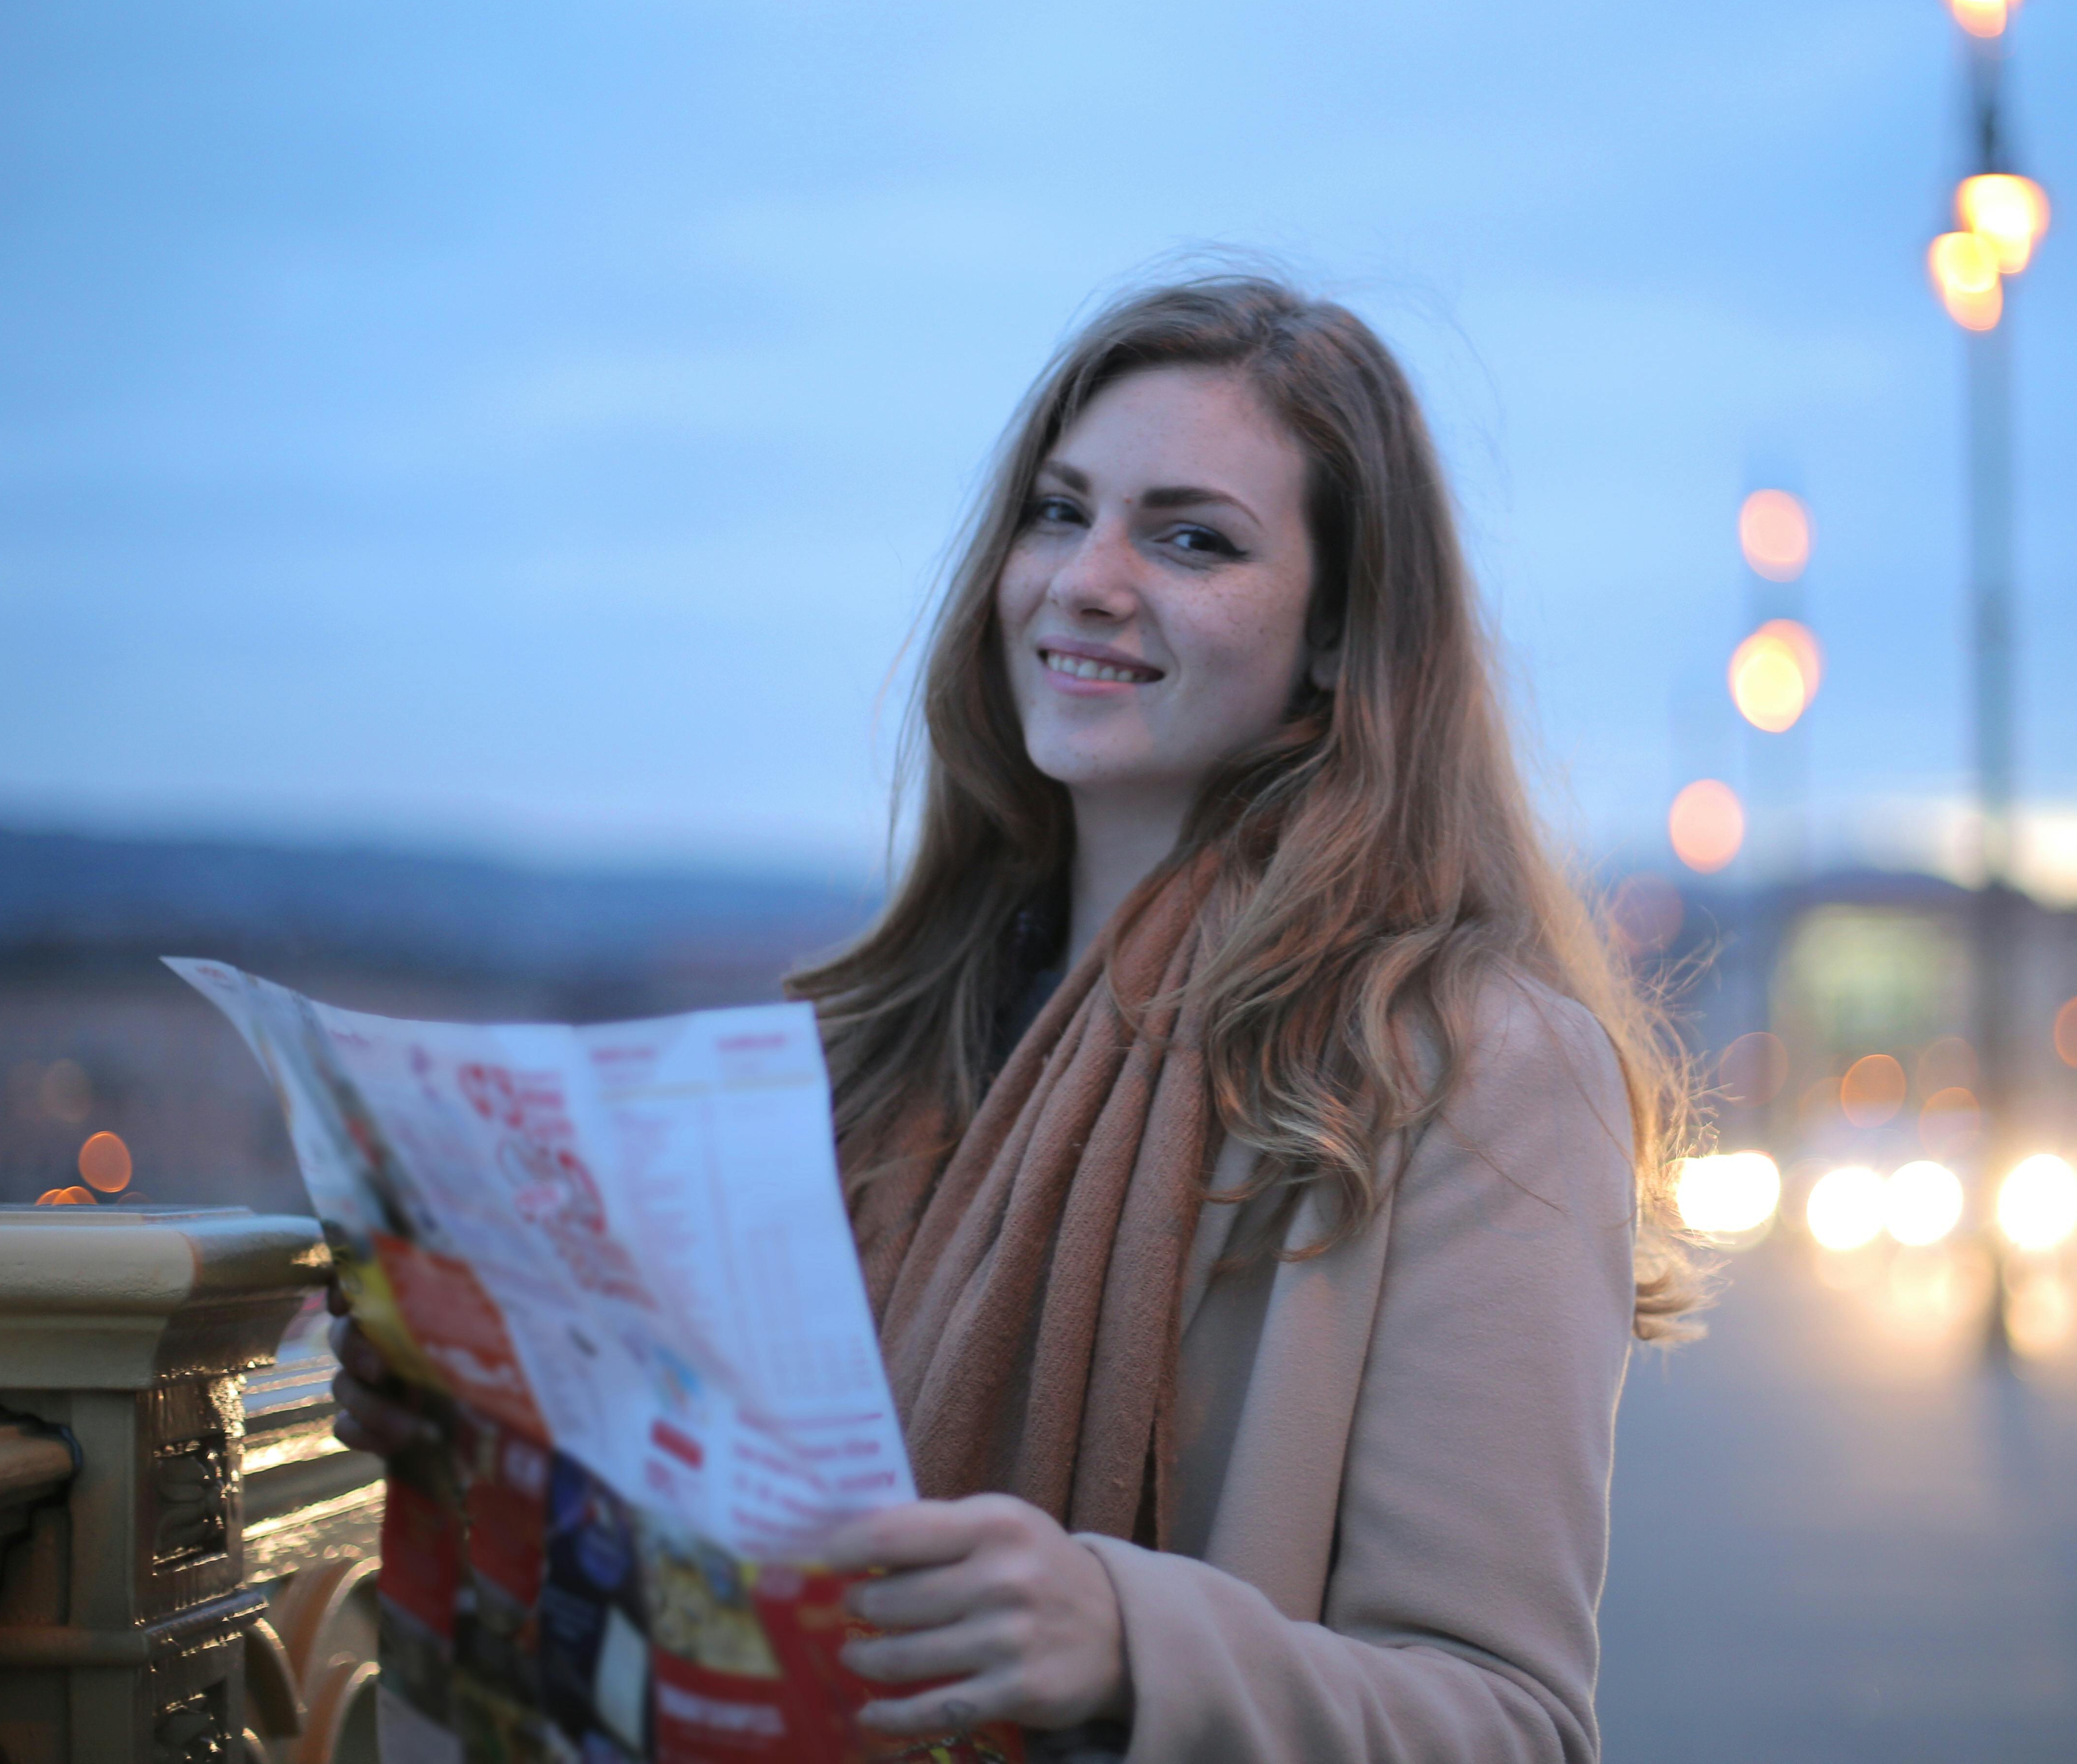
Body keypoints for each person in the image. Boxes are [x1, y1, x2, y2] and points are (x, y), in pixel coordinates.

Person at [332, 274, 1701, 1762]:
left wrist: (1123, 1641)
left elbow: (1507, 1723)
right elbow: (752, 1582)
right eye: (1060, 512)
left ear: (1338, 636)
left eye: (1191, 538)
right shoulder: (882, 1050)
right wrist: (501, 1441)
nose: (1087, 579)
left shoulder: (1471, 1065)